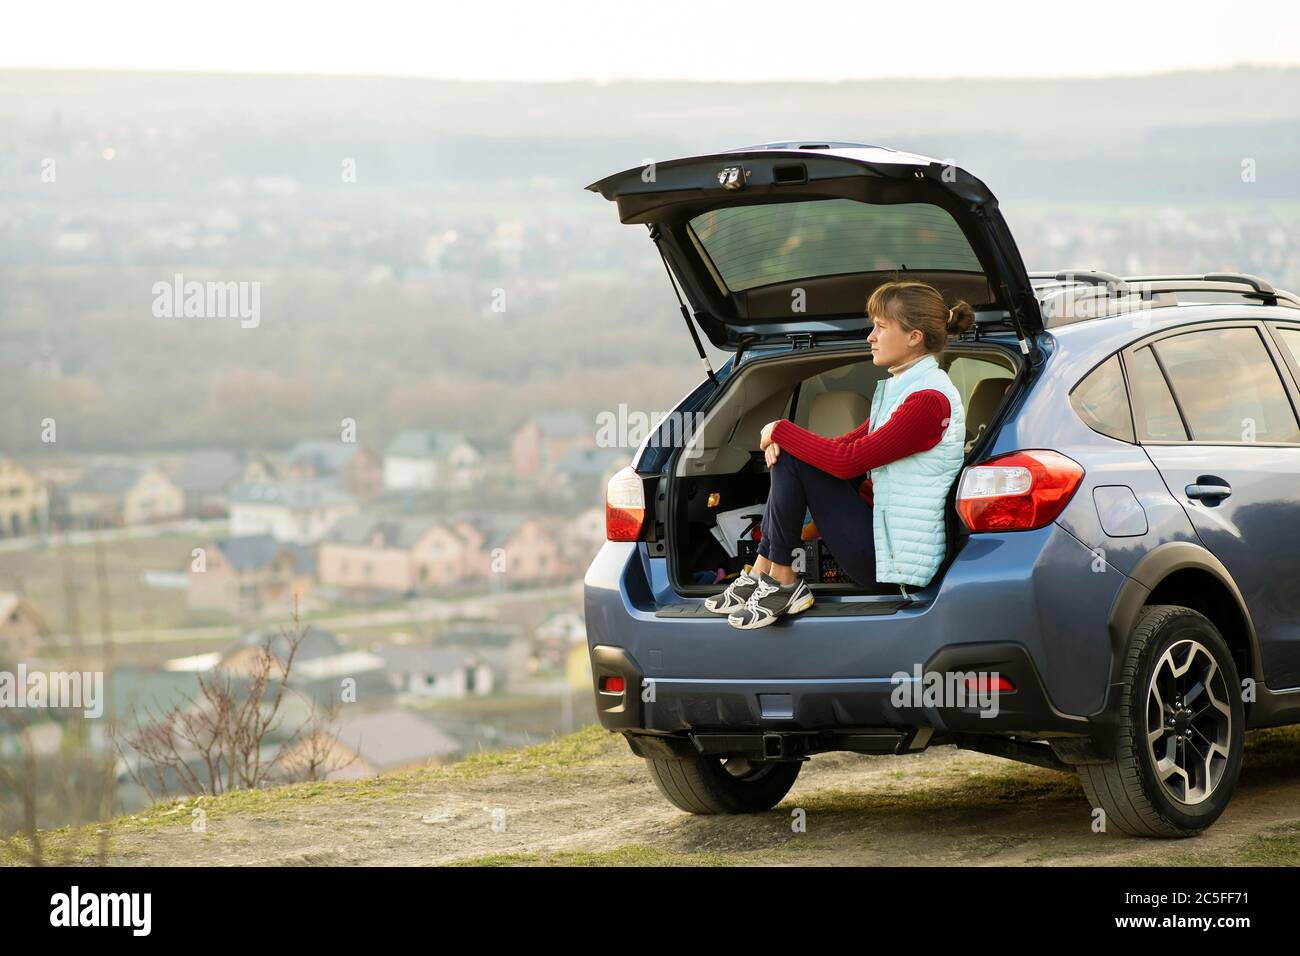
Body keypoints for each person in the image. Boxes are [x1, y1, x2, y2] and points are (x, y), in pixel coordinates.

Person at [706, 280, 973, 629]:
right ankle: (764, 573)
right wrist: (786, 439)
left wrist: (780, 431)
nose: (870, 337)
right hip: (878, 539)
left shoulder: (927, 402)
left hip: (893, 563)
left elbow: (847, 463)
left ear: (914, 336)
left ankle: (781, 580)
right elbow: (843, 449)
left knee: (795, 454)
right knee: (795, 454)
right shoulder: (903, 393)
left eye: (880, 326)